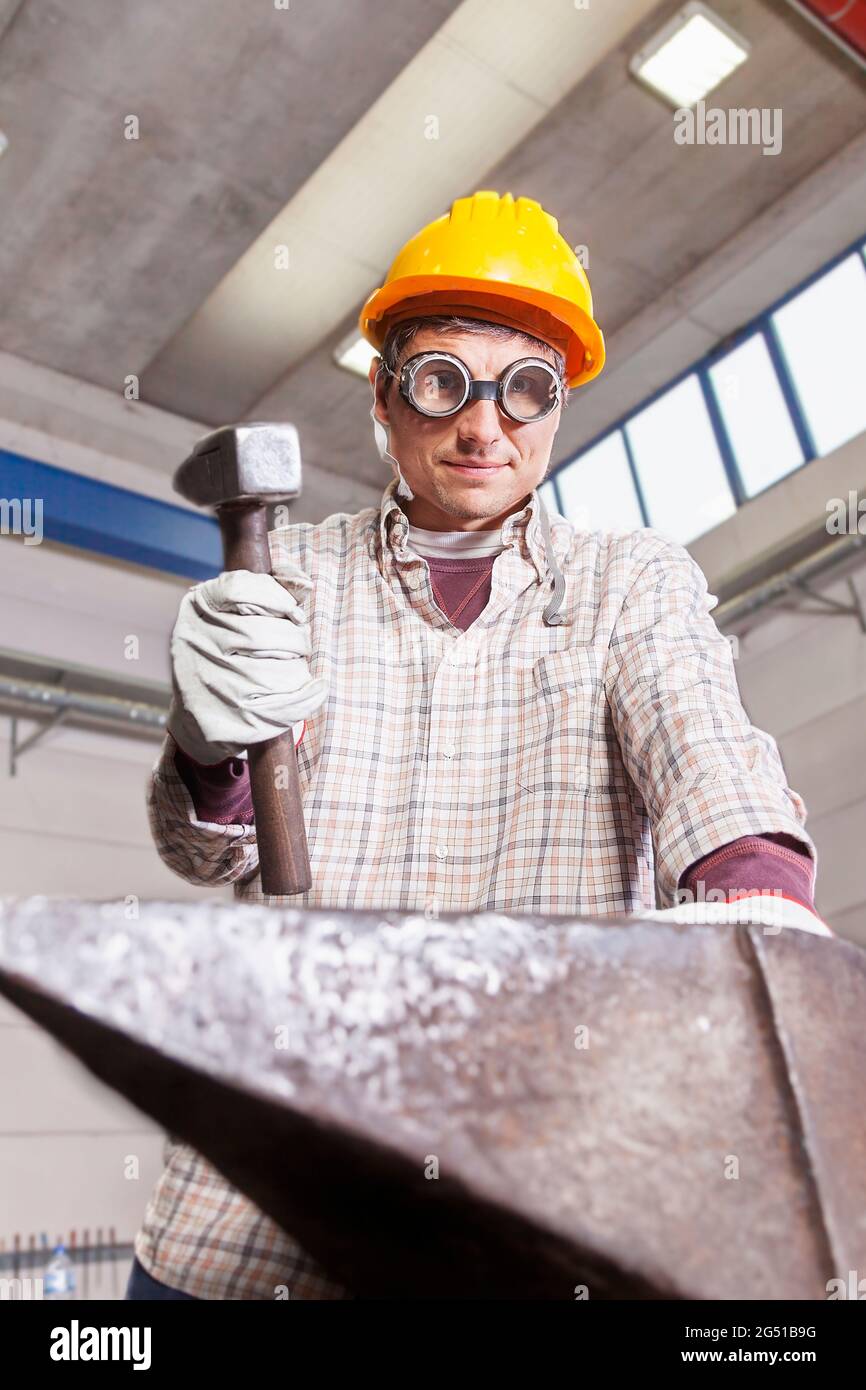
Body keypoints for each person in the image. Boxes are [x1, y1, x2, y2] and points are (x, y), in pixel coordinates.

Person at [128, 190, 828, 1301]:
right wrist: (210, 749)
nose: (482, 425)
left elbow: (707, 755)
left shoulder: (628, 583)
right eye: (444, 378)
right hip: (252, 1213)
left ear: (557, 408)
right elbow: (208, 853)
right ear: (385, 393)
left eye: (527, 388)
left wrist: (759, 913)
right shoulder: (287, 580)